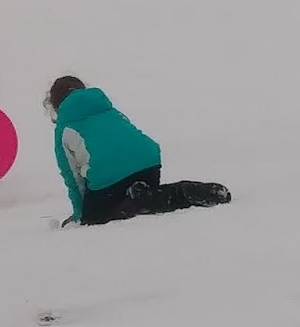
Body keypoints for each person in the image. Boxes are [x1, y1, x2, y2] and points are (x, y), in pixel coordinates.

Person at [45, 76, 230, 225]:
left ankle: (136, 201)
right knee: (142, 193)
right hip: (148, 164)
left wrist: (81, 214)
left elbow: (72, 177)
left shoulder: (64, 128)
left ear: (54, 106)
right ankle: (165, 192)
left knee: (95, 217)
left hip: (109, 176)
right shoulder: (107, 109)